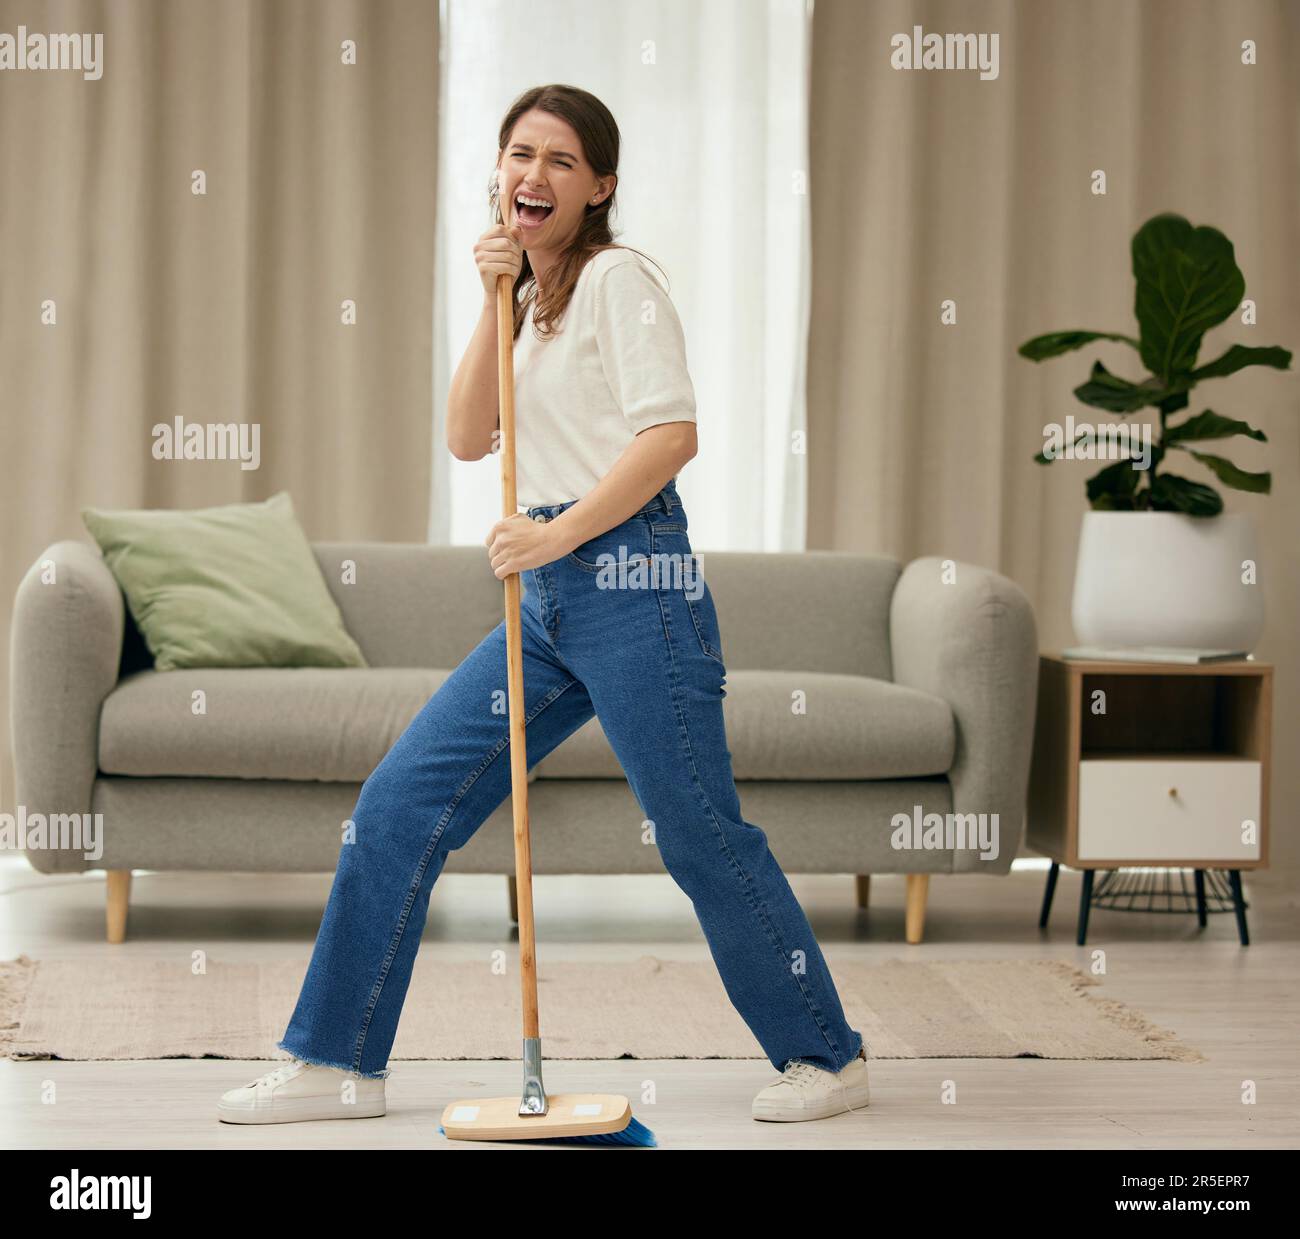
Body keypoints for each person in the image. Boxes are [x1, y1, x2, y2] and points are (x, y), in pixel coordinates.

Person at [218, 83, 868, 1127]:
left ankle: (826, 1056)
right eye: (522, 153)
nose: (536, 174)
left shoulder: (619, 281)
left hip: (635, 583)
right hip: (547, 601)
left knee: (698, 834)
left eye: (563, 161)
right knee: (396, 807)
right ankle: (336, 1063)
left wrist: (557, 534)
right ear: (498, 171)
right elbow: (468, 437)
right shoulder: (526, 302)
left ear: (600, 187)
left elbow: (670, 439)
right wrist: (493, 298)